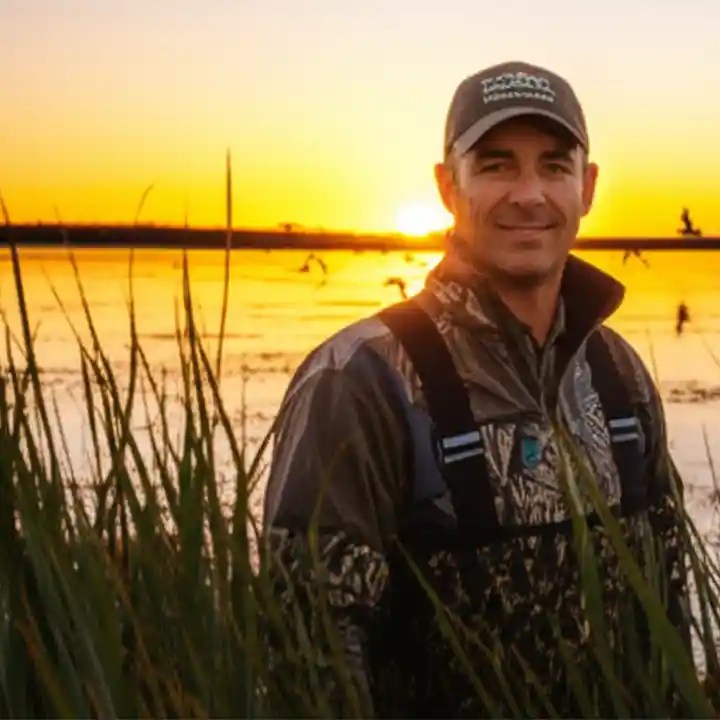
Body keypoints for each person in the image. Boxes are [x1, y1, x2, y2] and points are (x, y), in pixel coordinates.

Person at [262, 60, 690, 716]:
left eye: (553, 165)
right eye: (495, 165)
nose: (529, 194)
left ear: (588, 186)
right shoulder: (358, 382)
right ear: (446, 185)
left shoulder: (620, 376)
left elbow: (668, 613)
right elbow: (308, 652)